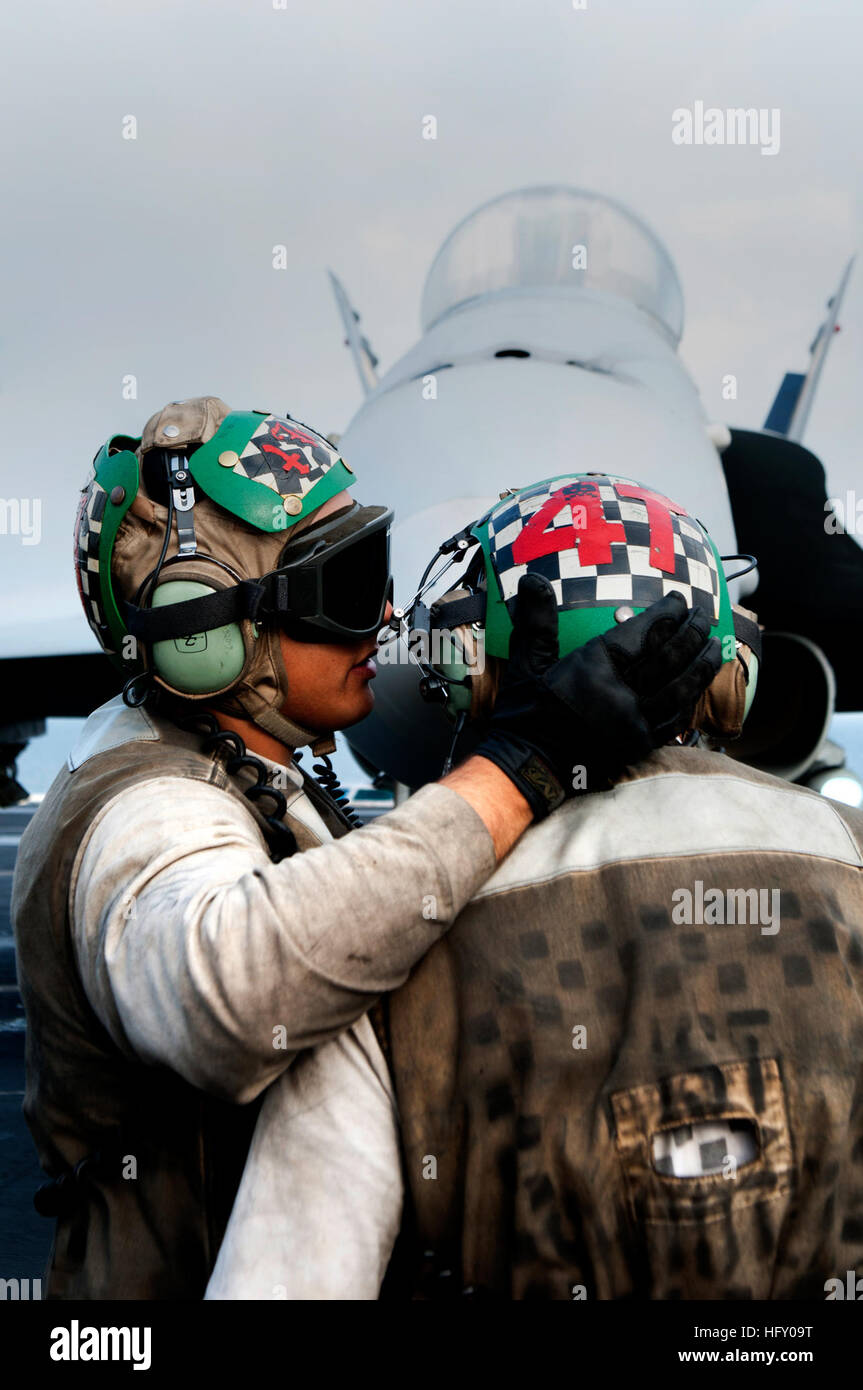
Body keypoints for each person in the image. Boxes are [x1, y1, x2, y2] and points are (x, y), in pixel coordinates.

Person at [11, 406, 719, 1299]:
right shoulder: (145, 805)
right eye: (345, 586)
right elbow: (229, 996)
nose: (383, 617)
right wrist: (516, 770)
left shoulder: (239, 767)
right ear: (207, 631)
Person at [206, 471, 863, 1302]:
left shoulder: (394, 938)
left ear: (474, 664)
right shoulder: (850, 857)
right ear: (729, 668)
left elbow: (285, 1278)